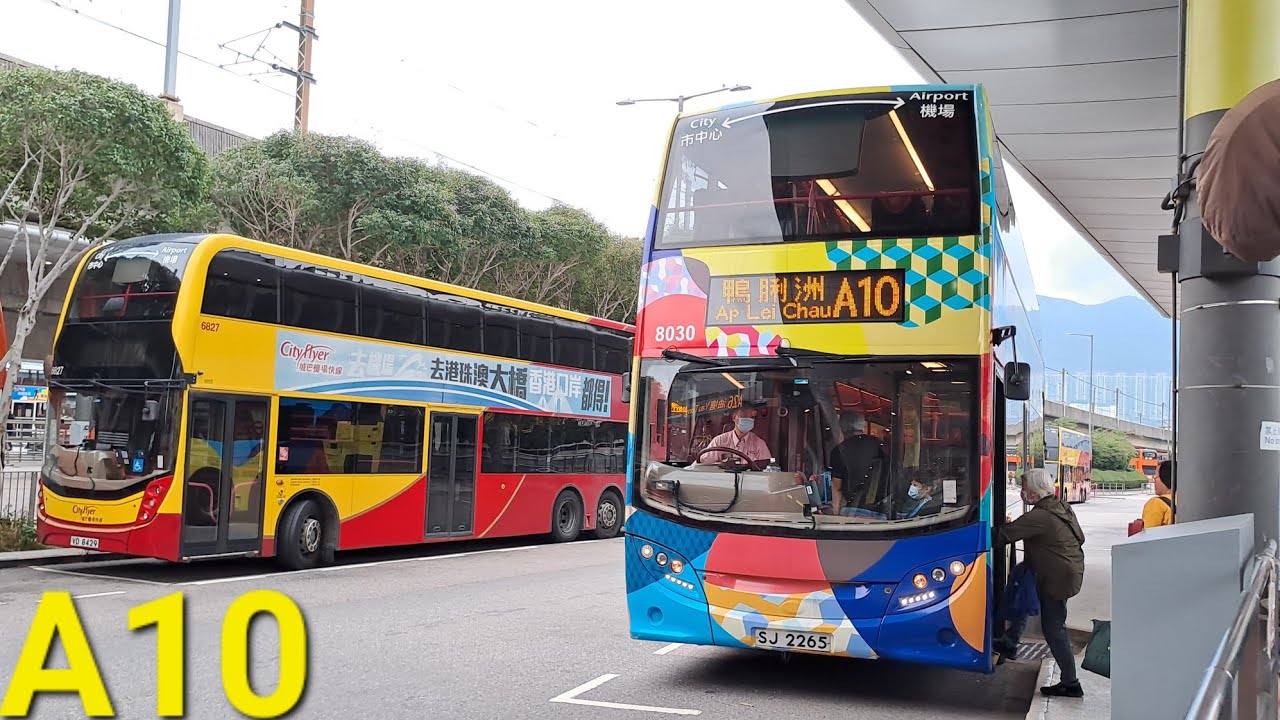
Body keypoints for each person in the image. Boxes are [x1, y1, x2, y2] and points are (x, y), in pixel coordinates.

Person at [995, 468, 1086, 698]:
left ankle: (1070, 682)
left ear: (1035, 492)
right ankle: (1009, 642)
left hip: (1057, 578)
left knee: (1054, 628)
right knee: (1022, 595)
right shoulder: (1060, 506)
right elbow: (1080, 537)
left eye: (1024, 488)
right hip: (1063, 571)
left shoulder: (1039, 516)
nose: (1022, 493)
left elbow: (1001, 536)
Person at [829, 413, 886, 511]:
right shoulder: (880, 444)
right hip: (881, 508)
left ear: (842, 428)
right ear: (862, 426)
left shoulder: (839, 450)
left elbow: (836, 487)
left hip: (853, 510)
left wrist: (837, 515)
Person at [699, 408, 772, 465]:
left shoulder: (759, 444)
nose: (749, 420)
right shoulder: (719, 441)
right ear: (734, 417)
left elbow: (767, 470)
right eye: (745, 416)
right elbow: (701, 465)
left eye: (751, 417)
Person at [1141, 459, 1176, 529]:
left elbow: (1149, 535)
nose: (1154, 482)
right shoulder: (1186, 500)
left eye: (1155, 477)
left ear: (1164, 478)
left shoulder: (1156, 503)